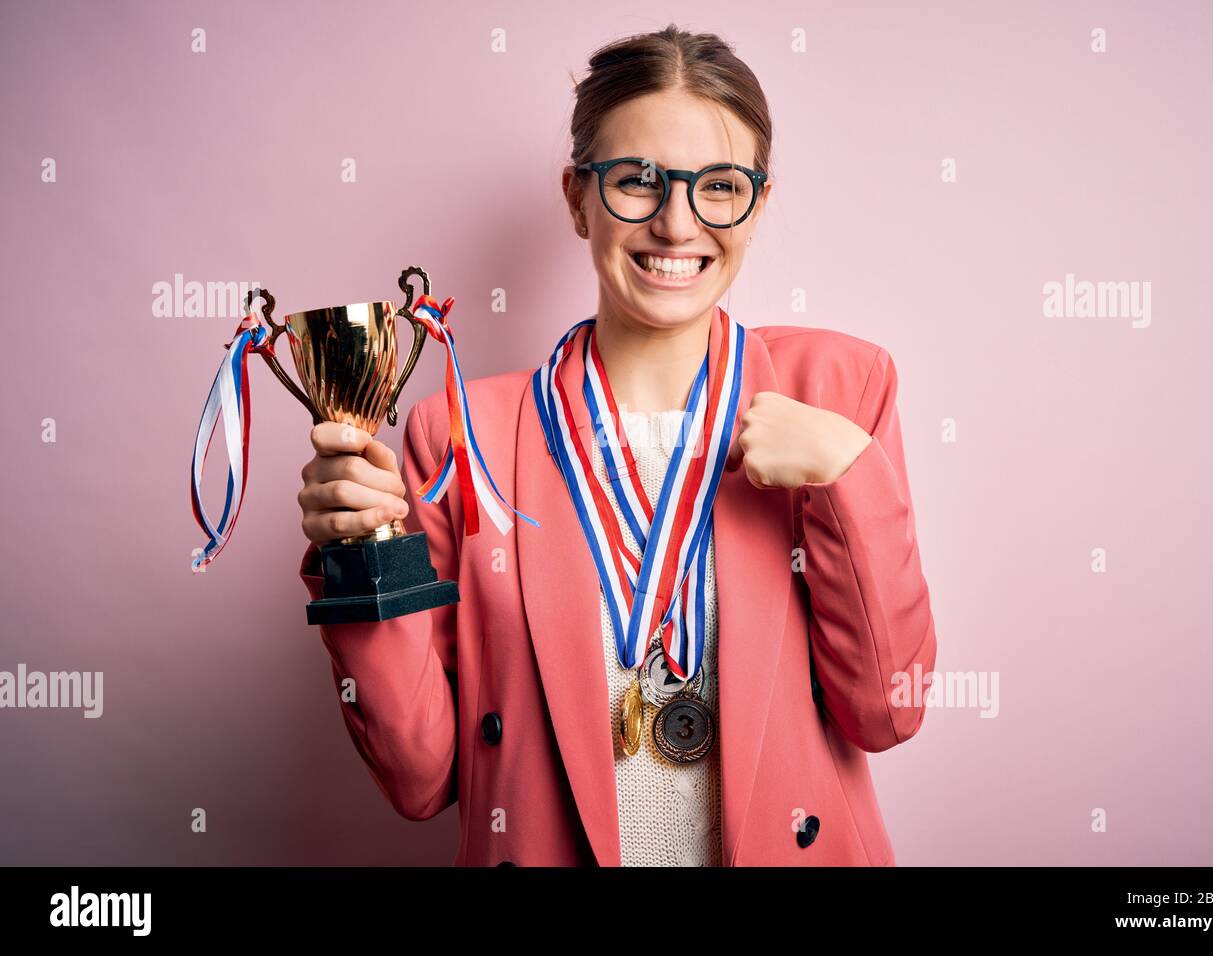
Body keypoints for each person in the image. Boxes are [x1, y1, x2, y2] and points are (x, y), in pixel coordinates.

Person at [296, 23, 937, 867]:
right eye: (637, 181)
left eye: (719, 186)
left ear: (759, 204)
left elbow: (888, 713)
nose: (677, 224)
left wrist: (847, 478)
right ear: (576, 196)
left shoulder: (838, 391)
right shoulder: (461, 433)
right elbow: (421, 779)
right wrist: (360, 553)